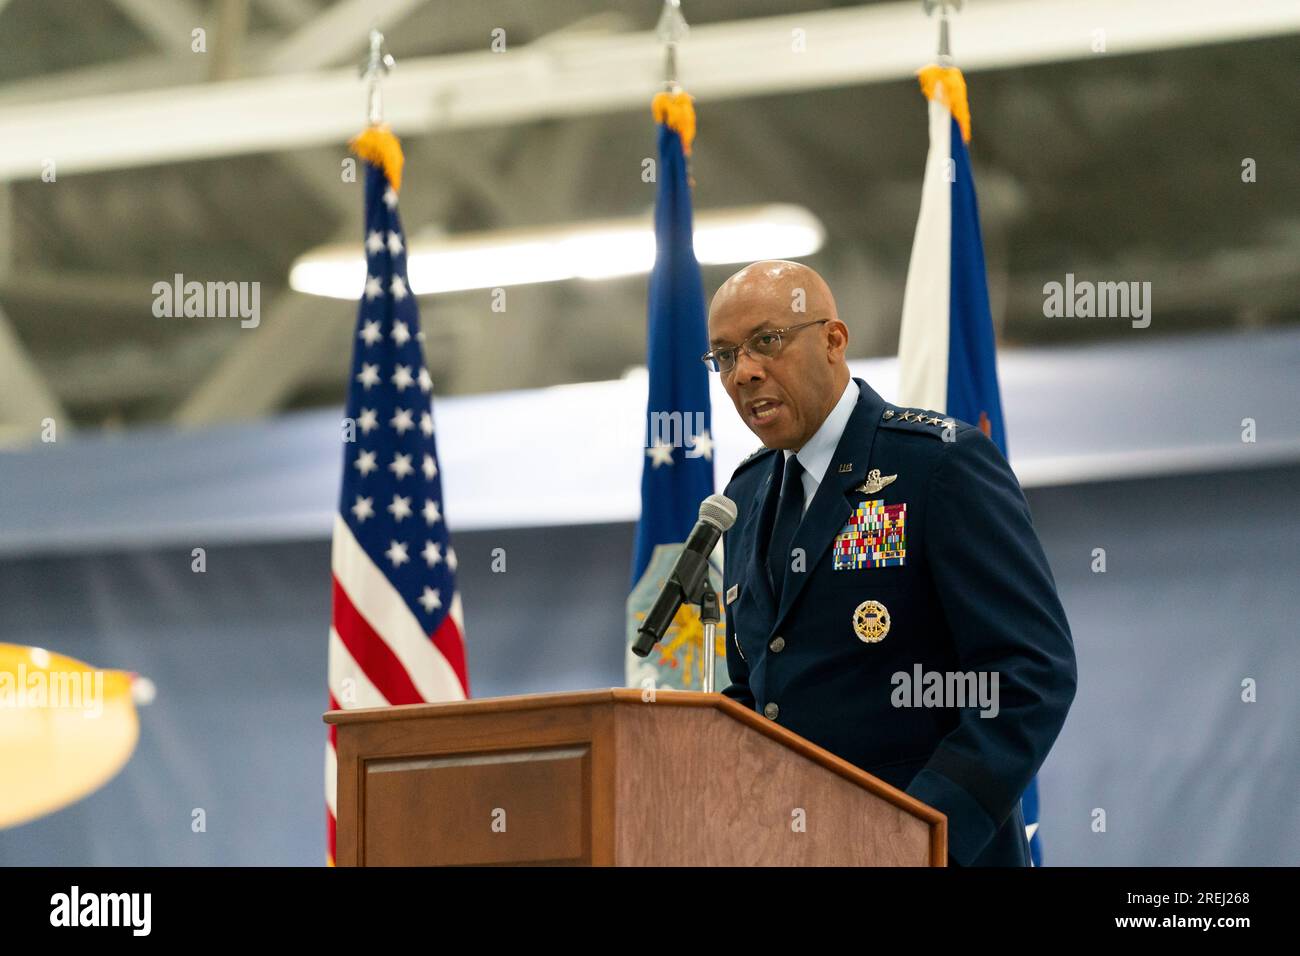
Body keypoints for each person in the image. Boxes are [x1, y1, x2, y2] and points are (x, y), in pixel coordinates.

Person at [707, 259, 1077, 867]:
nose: (744, 372)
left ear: (833, 340)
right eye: (723, 356)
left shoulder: (937, 465)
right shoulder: (744, 496)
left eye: (766, 342)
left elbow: (1029, 673)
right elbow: (759, 690)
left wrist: (919, 836)